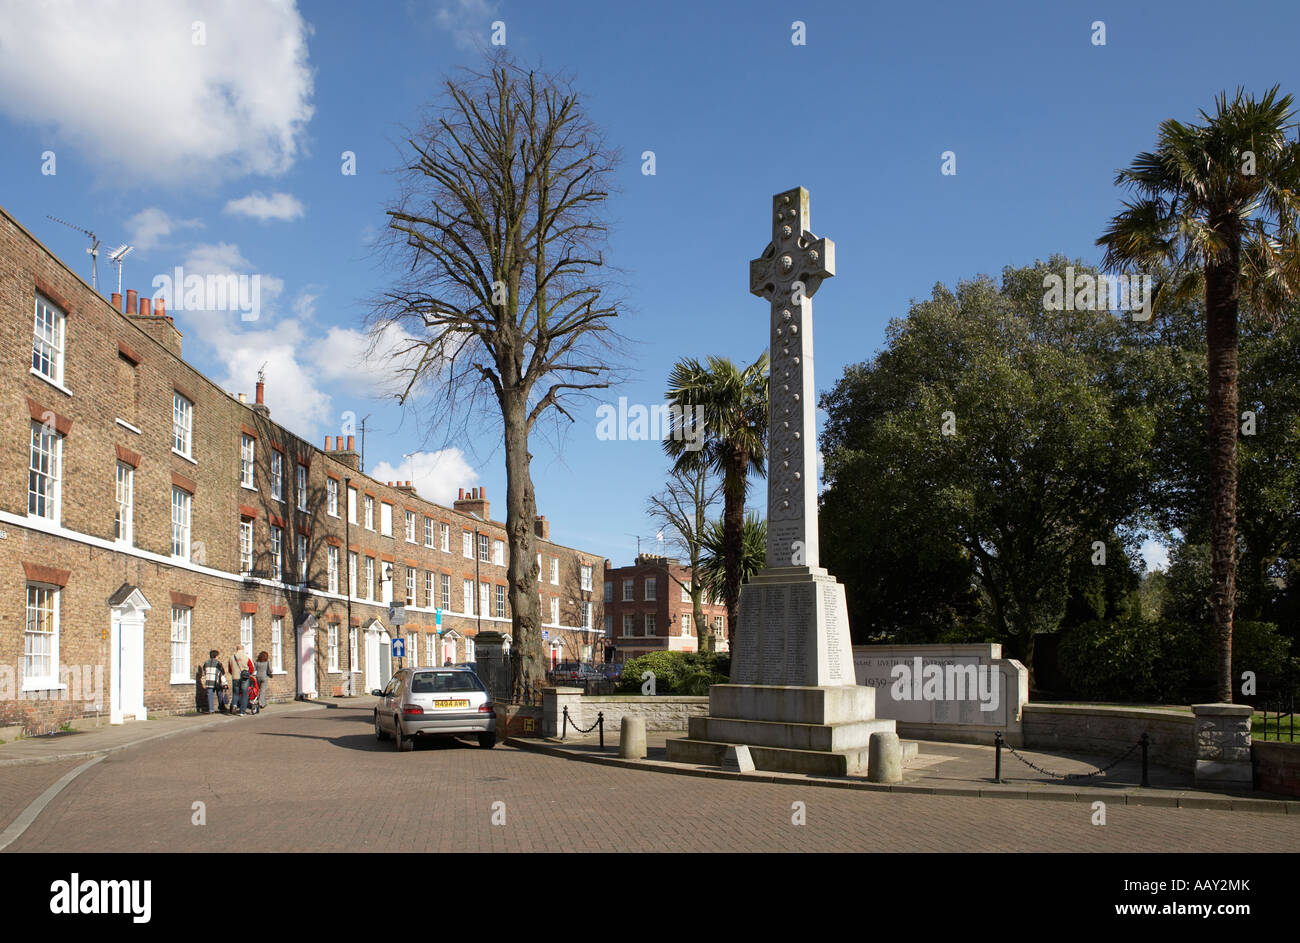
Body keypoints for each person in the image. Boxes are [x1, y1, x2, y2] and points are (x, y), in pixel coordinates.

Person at [228, 644, 253, 717]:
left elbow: (230, 669)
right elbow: (251, 668)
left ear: (237, 649)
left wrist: (233, 674)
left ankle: (234, 704)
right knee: (244, 694)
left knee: (235, 693)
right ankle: (242, 712)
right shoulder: (246, 658)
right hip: (244, 678)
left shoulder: (231, 658)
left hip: (235, 677)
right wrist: (248, 674)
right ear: (243, 649)